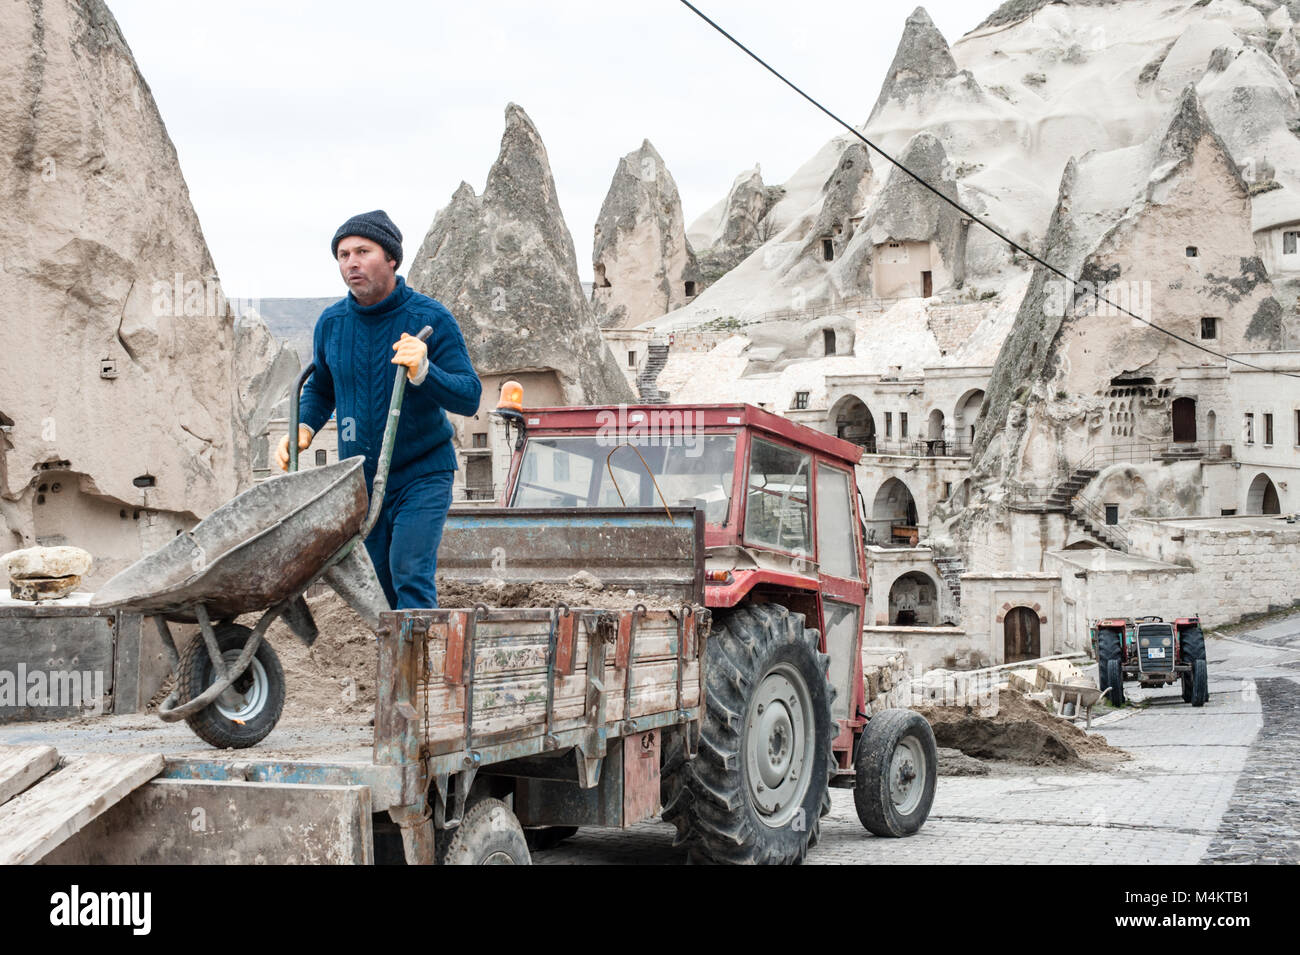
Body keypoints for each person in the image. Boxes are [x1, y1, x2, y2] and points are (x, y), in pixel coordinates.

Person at [276, 210, 481, 609]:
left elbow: (469, 396)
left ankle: (418, 670)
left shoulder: (429, 318)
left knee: (408, 571)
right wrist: (304, 426)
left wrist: (425, 371)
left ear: (391, 258)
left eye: (362, 251)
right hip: (363, 481)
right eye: (342, 254)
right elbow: (322, 386)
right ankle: (396, 667)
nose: (350, 262)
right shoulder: (332, 324)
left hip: (422, 473)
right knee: (380, 587)